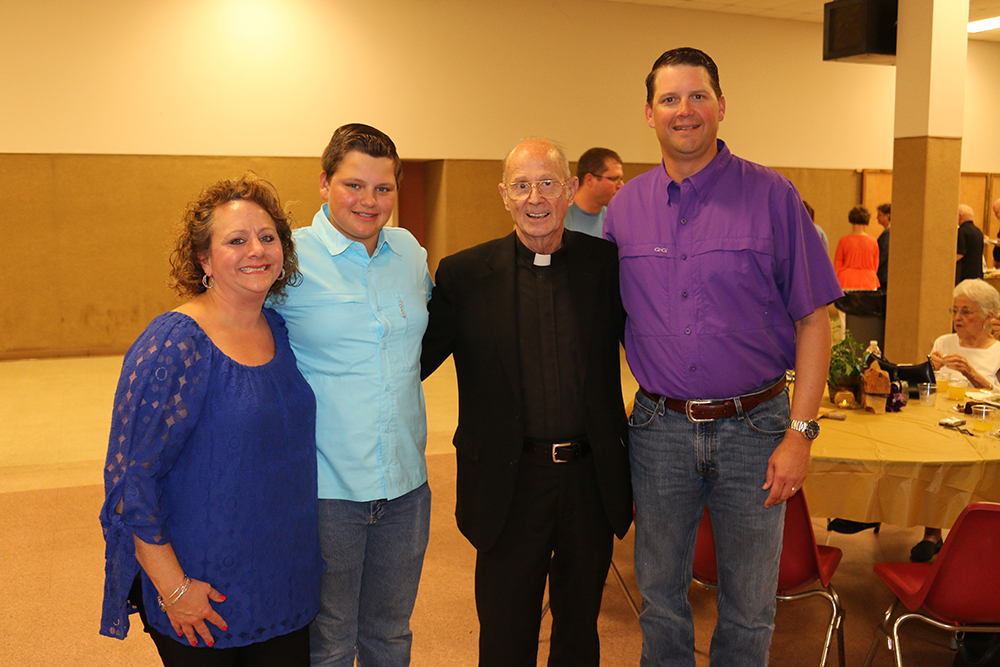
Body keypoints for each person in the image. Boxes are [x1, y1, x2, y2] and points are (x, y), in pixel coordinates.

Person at [604, 47, 842, 666]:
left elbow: (813, 318)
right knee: (658, 597)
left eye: (698, 95)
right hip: (659, 429)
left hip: (757, 429)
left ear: (721, 105)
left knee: (749, 605)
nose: (685, 110)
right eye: (670, 98)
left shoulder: (773, 196)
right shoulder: (623, 211)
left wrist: (801, 433)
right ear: (649, 114)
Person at [421, 138, 633, 667]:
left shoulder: (607, 265)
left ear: (568, 192)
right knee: (505, 630)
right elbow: (410, 359)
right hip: (508, 482)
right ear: (504, 195)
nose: (535, 197)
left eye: (547, 183)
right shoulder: (464, 274)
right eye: (521, 185)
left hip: (588, 477)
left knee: (580, 626)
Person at [99, 175, 323, 666]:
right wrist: (174, 589)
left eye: (268, 238)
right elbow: (130, 481)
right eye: (236, 240)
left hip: (283, 585)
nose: (257, 250)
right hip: (204, 595)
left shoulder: (277, 328)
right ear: (203, 259)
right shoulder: (174, 343)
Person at [272, 124, 432, 667]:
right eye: (353, 185)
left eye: (383, 188)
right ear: (324, 182)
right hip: (326, 487)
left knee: (391, 634)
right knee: (331, 640)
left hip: (406, 485)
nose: (369, 201)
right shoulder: (287, 256)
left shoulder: (409, 251)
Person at [912, 278, 1000, 562]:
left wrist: (972, 374)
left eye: (966, 312)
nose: (957, 319)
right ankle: (932, 533)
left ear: (989, 316)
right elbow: (928, 388)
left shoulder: (997, 351)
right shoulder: (944, 342)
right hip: (941, 422)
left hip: (981, 427)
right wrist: (928, 368)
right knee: (933, 460)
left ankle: (978, 533)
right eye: (954, 311)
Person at [563, 147, 625, 237]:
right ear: (589, 180)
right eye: (614, 179)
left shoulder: (616, 219)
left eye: (621, 179)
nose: (621, 185)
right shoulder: (560, 217)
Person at [833, 205, 880, 290]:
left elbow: (838, 262)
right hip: (869, 280)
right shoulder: (873, 241)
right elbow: (875, 265)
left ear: (851, 220)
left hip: (847, 279)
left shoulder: (844, 240)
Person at [956, 204, 984, 284]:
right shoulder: (978, 231)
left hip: (965, 275)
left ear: (960, 216)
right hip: (977, 274)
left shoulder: (961, 231)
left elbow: (960, 254)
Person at [876, 203, 890, 289]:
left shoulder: (887, 234)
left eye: (879, 215)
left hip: (883, 275)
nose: (877, 217)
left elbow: (883, 255)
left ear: (888, 216)